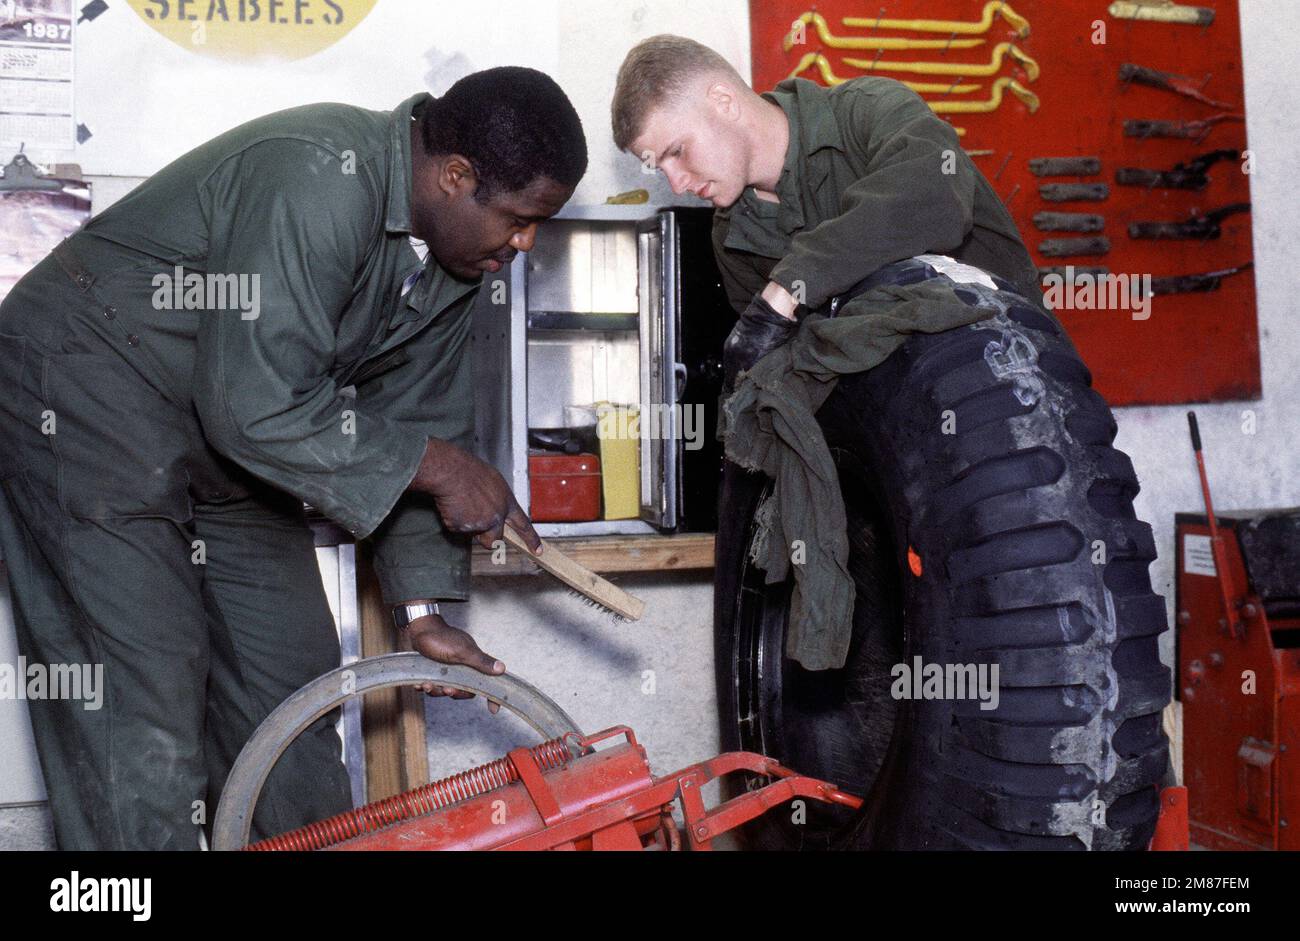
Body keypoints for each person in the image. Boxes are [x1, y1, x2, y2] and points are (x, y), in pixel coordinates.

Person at [0, 66, 586, 849]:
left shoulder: (456, 261)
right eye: (520, 219)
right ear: (455, 176)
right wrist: (446, 469)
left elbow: (416, 419)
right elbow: (261, 408)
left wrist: (420, 612)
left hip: (231, 426)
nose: (526, 243)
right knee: (143, 695)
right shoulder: (317, 172)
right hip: (91, 384)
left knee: (290, 684)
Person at [610, 34, 1045, 378]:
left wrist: (790, 286)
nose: (678, 183)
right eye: (658, 167)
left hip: (1009, 376)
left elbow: (934, 199)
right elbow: (790, 373)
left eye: (678, 152)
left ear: (723, 102)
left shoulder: (869, 113)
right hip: (892, 440)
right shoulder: (732, 234)